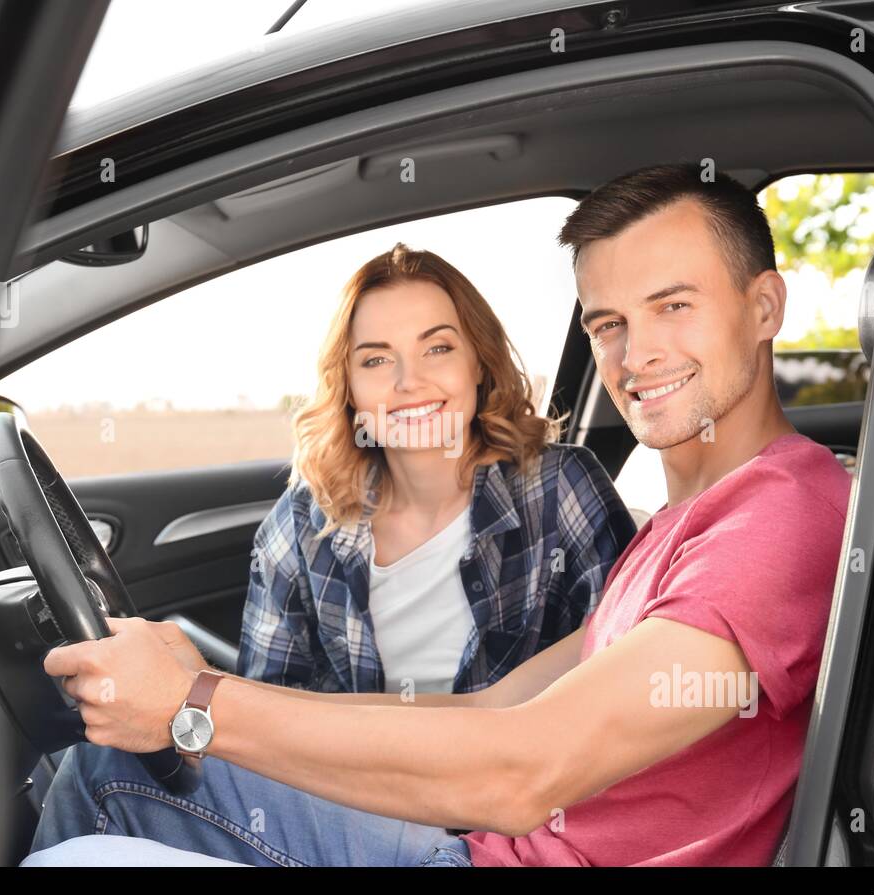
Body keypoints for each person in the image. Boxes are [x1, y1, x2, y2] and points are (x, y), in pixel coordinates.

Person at [23, 162, 852, 867]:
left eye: (675, 306)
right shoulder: (684, 523)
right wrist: (207, 692)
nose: (637, 356)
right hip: (475, 843)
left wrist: (194, 704)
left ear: (766, 307)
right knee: (108, 765)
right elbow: (494, 712)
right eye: (609, 323)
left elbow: (524, 769)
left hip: (481, 845)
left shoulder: (777, 518)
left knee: (110, 780)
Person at [237, 243, 634, 697]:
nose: (409, 381)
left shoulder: (560, 485)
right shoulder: (302, 522)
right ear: (348, 387)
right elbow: (264, 709)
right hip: (347, 768)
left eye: (438, 348)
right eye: (376, 359)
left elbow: (625, 656)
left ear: (479, 362)